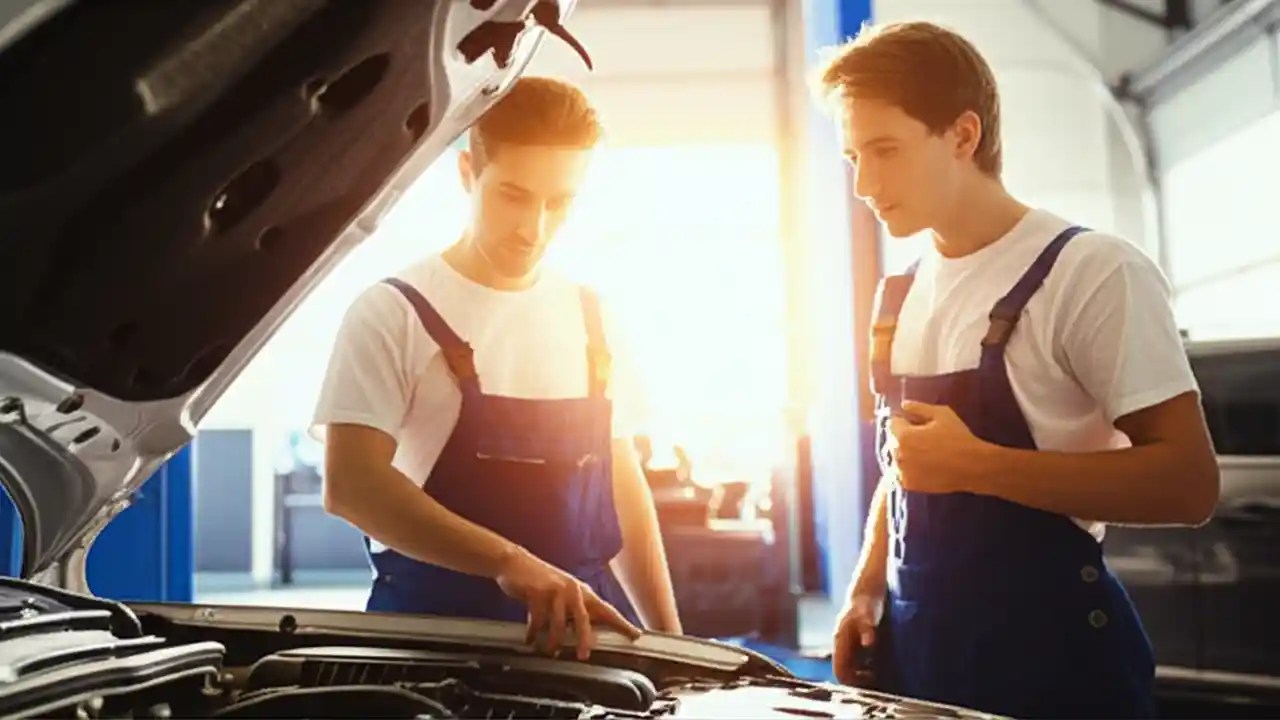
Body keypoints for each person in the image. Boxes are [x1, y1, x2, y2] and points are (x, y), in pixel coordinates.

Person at [815, 21, 1220, 719]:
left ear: (963, 136)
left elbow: (1189, 485)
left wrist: (977, 466)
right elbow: (906, 463)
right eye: (853, 155)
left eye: (884, 150)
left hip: (1056, 668)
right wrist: (866, 583)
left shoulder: (1092, 273)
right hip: (923, 658)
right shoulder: (900, 292)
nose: (863, 184)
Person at [311, 76, 682, 660]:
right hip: (436, 640)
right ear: (466, 174)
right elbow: (352, 485)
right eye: (513, 194)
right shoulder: (394, 312)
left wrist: (670, 640)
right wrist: (510, 562)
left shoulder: (593, 316)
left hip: (586, 643)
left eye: (559, 202)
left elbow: (620, 480)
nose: (534, 228)